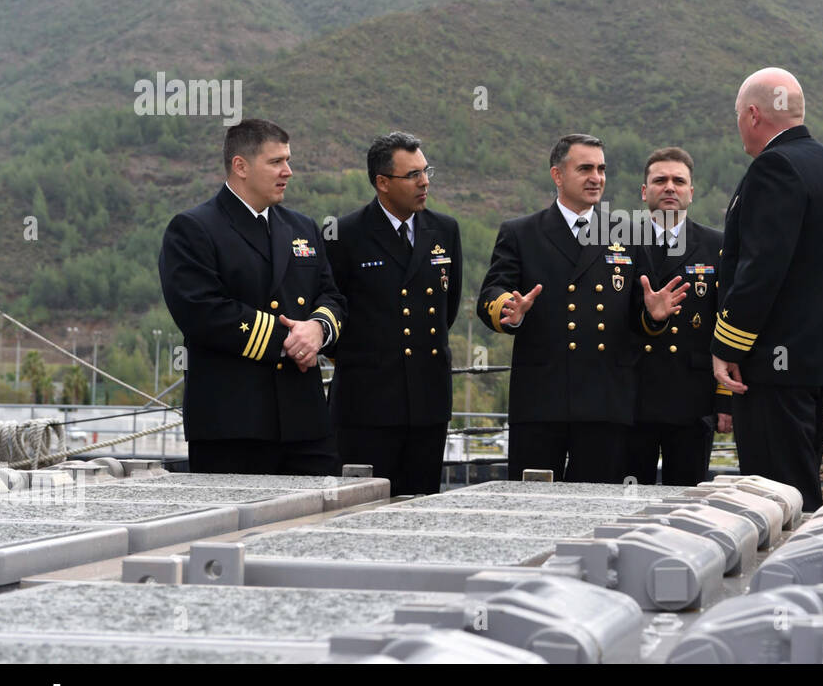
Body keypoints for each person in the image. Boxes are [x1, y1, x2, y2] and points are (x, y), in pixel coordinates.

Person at [478, 134, 688, 482]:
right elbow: (492, 291)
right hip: (541, 398)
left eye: (602, 169)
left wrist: (653, 316)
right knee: (531, 506)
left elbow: (641, 313)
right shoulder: (522, 232)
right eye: (585, 168)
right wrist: (507, 309)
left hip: (605, 400)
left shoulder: (628, 233)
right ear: (557, 175)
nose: (596, 177)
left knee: (596, 509)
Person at [158, 119, 346, 475]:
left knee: (316, 525)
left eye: (288, 160)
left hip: (305, 423)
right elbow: (202, 312)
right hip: (233, 425)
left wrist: (318, 329)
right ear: (240, 166)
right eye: (276, 162)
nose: (288, 171)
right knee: (235, 531)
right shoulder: (194, 229)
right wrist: (290, 341)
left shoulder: (302, 227)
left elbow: (331, 295)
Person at [711, 68, 823, 513]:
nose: (739, 124)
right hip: (811, 362)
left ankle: (789, 580)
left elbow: (760, 270)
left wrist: (728, 345)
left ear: (753, 114)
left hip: (771, 367)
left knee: (775, 497)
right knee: (800, 486)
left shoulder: (775, 168)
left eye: (739, 115)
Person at [324, 132, 461, 496]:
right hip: (366, 404)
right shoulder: (345, 234)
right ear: (382, 183)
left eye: (426, 171)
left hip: (428, 402)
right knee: (359, 508)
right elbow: (330, 313)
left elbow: (445, 311)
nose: (425, 181)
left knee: (421, 504)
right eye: (413, 174)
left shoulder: (444, 230)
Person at [627, 147, 730, 487]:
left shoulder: (719, 246)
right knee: (625, 503)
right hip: (631, 398)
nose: (669, 187)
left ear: (691, 192)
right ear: (645, 192)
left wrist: (725, 399)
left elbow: (727, 323)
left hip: (692, 396)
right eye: (660, 180)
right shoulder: (620, 242)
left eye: (678, 181)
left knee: (686, 505)